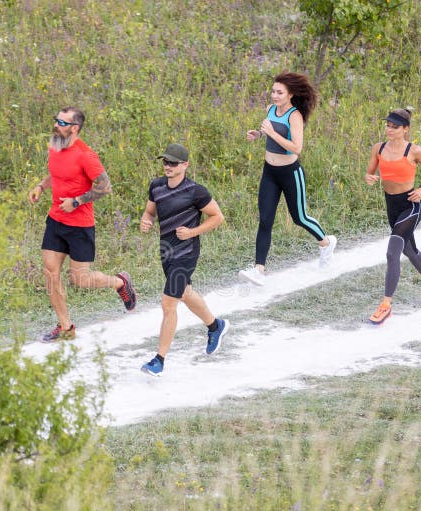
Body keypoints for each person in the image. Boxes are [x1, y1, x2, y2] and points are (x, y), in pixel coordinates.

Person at [28, 106, 137, 342]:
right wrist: (41, 187)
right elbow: (56, 175)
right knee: (50, 272)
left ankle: (120, 282)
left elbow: (104, 187)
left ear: (75, 128)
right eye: (56, 120)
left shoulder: (86, 155)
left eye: (63, 123)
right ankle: (65, 326)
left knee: (80, 279)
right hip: (56, 220)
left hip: (80, 225)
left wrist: (77, 201)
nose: (57, 125)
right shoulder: (54, 147)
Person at [239, 71, 336, 286]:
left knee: (299, 217)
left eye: (279, 92)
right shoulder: (270, 109)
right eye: (273, 91)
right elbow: (271, 130)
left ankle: (326, 243)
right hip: (269, 172)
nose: (274, 96)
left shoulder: (295, 116)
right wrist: (259, 134)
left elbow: (296, 148)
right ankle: (258, 270)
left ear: (290, 94)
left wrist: (271, 133)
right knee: (265, 220)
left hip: (290, 172)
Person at [139, 143, 228, 375]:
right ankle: (215, 325)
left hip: (186, 253)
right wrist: (146, 220)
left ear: (185, 165)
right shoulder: (156, 186)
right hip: (166, 251)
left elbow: (217, 217)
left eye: (173, 163)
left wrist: (191, 232)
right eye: (165, 162)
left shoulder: (196, 191)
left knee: (169, 303)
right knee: (184, 292)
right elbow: (150, 211)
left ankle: (159, 361)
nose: (167, 166)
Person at [364, 108, 421, 325]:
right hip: (392, 206)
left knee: (392, 253)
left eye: (394, 127)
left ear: (405, 129)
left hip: (411, 205)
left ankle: (386, 305)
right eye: (387, 125)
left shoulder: (414, 150)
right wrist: (369, 177)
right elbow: (370, 172)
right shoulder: (378, 148)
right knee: (407, 248)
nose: (389, 129)